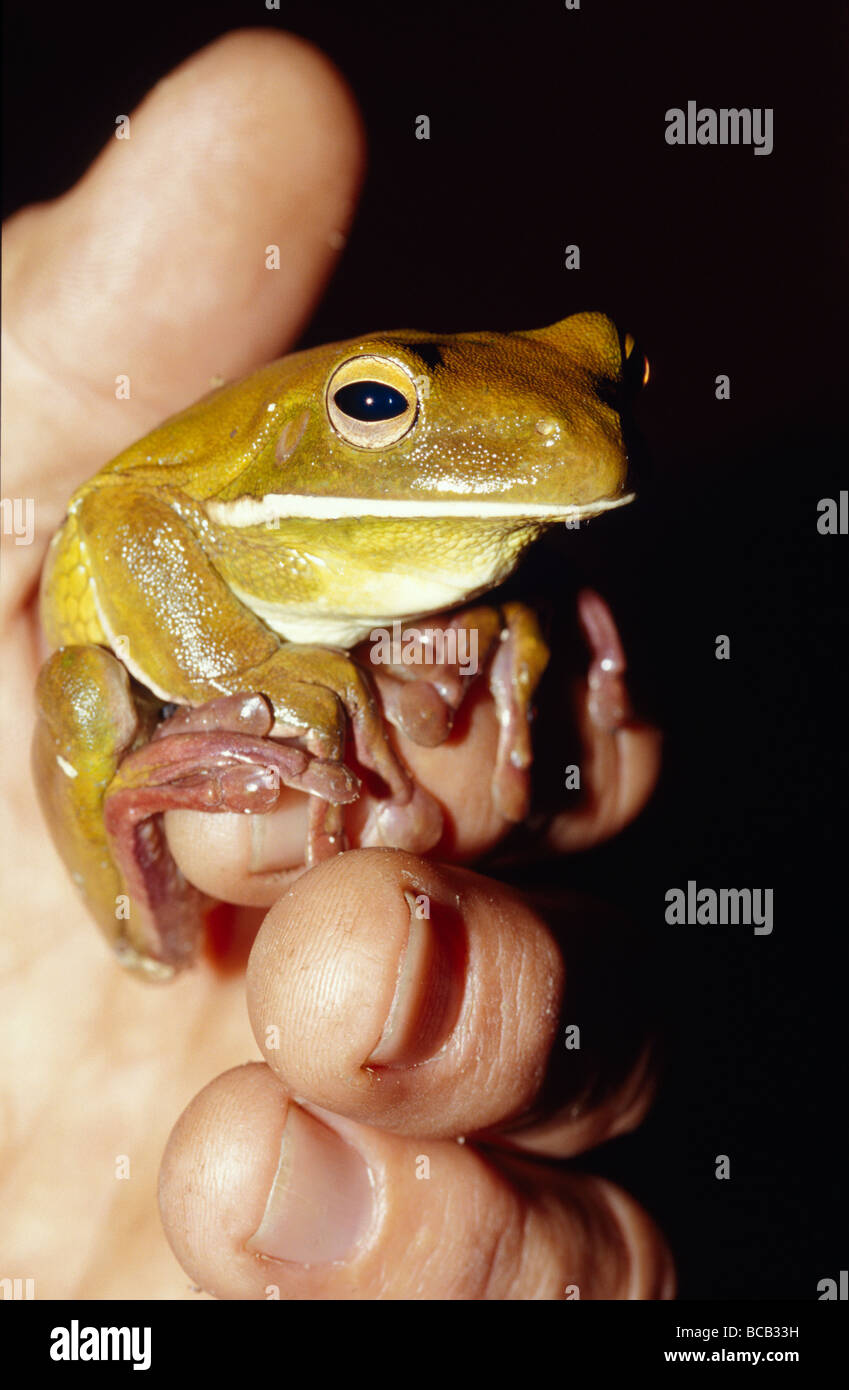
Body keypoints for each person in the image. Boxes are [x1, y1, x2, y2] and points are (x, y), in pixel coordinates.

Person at [1, 29, 672, 1299]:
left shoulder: (465, 538)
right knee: (88, 702)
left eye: (615, 367)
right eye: (380, 408)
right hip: (122, 684)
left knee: (460, 721)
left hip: (343, 666)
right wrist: (247, 664)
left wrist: (505, 659)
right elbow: (129, 523)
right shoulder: (220, 498)